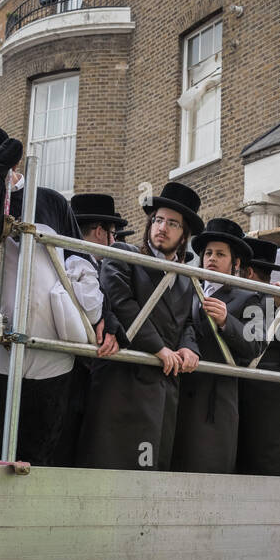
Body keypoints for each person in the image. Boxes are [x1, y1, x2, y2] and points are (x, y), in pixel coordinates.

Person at [0, 127, 106, 465]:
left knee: (36, 455)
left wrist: (103, 319)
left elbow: (81, 261)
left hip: (49, 350)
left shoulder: (49, 200)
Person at [79, 183, 203, 470]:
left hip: (163, 389)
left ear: (183, 234)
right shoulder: (123, 254)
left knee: (150, 471)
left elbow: (188, 321)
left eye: (173, 223)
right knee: (110, 467)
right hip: (122, 384)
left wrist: (188, 346)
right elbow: (122, 303)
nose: (162, 228)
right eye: (158, 219)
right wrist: (159, 348)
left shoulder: (188, 277)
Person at [171, 218, 262, 473]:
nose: (211, 258)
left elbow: (255, 345)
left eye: (220, 254)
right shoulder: (187, 287)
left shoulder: (248, 295)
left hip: (216, 399)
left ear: (236, 263)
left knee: (207, 464)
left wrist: (226, 321)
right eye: (208, 253)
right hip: (181, 388)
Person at [62, 193, 128, 465]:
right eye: (112, 233)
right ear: (100, 231)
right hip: (69, 371)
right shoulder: (79, 263)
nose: (114, 241)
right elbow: (93, 305)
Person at [236, 237, 280, 477]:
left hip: (265, 389)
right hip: (274, 387)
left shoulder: (269, 302)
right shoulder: (279, 301)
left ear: (248, 272)